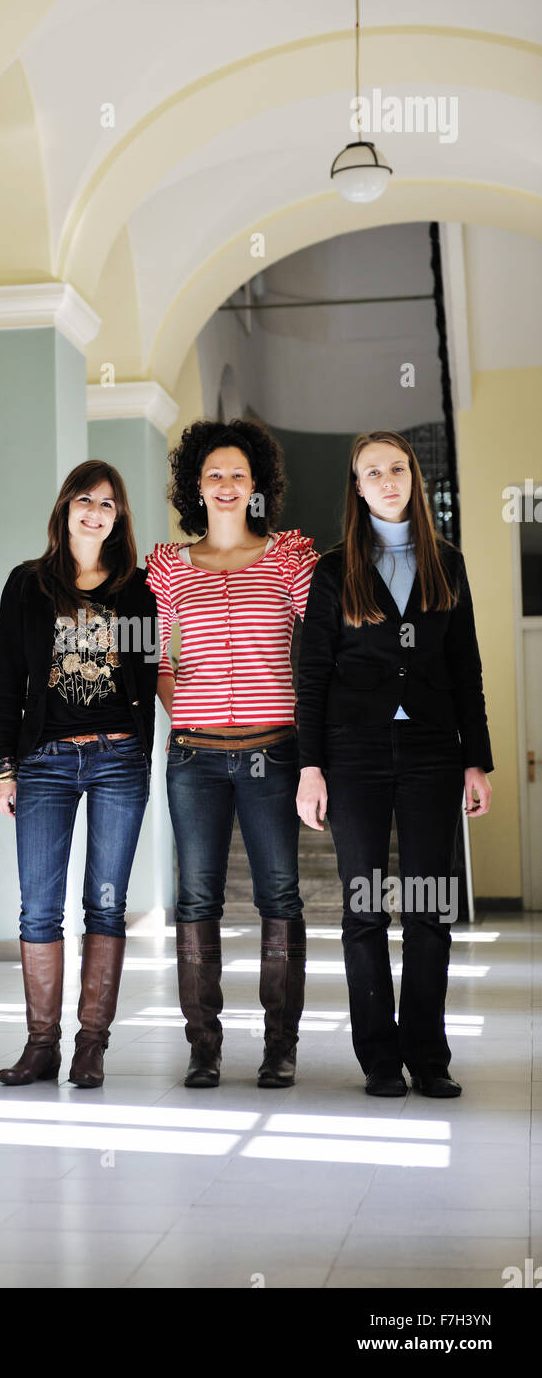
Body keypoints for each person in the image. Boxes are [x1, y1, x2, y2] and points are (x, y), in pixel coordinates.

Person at [296, 431, 493, 1098]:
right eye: (372, 471)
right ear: (357, 486)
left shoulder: (448, 563)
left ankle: (428, 1055)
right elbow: (312, 674)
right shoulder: (333, 569)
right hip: (354, 755)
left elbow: (466, 668)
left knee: (430, 908)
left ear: (413, 478)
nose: (386, 479)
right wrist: (310, 766)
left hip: (435, 754)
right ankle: (380, 1055)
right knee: (365, 909)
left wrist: (478, 762)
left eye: (397, 468)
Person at [146, 420, 318, 1089]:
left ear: (257, 487)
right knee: (196, 900)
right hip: (194, 759)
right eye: (213, 474)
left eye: (238, 475)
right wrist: (188, 711)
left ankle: (281, 1046)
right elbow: (155, 659)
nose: (225, 485)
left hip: (274, 753)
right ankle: (204, 1047)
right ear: (196, 485)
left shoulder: (288, 558)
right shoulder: (167, 567)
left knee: (280, 897)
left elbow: (325, 645)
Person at [0, 461, 158, 1088]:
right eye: (84, 500)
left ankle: (92, 1045)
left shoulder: (137, 592)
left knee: (106, 905)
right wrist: (4, 768)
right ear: (65, 508)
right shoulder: (27, 585)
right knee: (38, 909)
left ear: (118, 518)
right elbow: (5, 680)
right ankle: (41, 1046)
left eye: (108, 504)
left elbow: (146, 677)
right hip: (44, 764)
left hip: (118, 759)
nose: (95, 511)